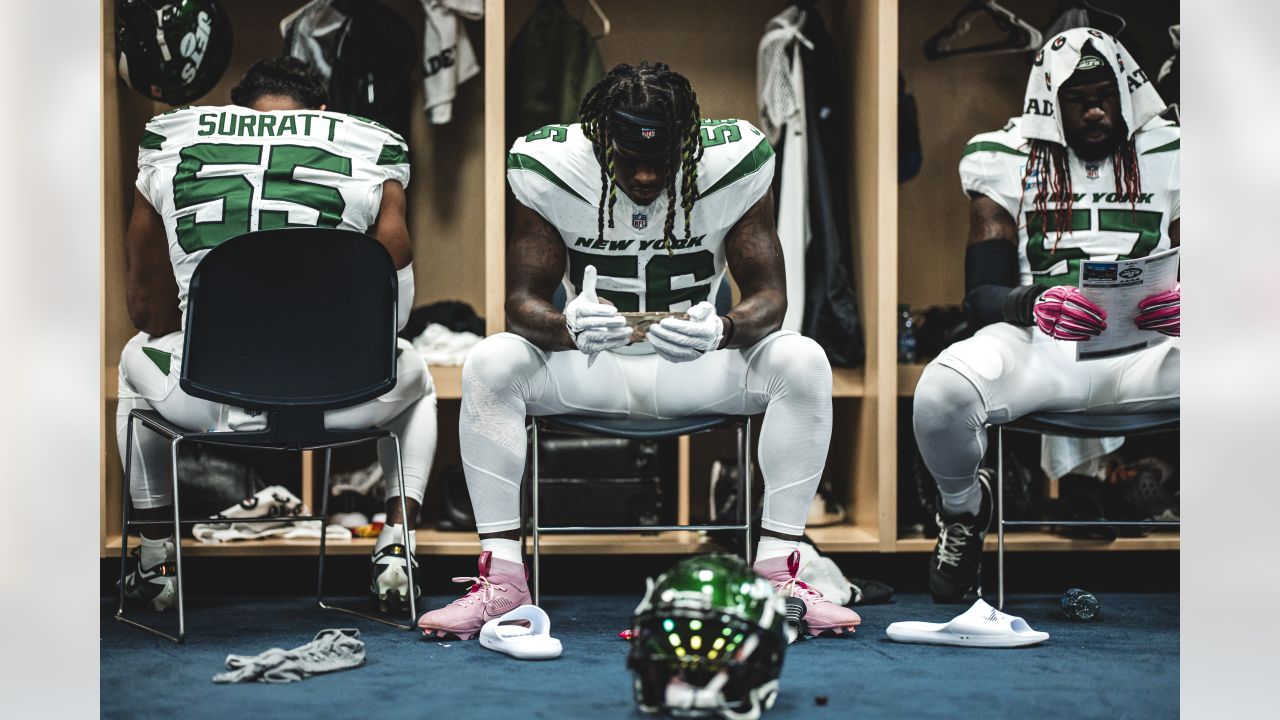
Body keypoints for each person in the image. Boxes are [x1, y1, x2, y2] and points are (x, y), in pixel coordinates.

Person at [416, 61, 859, 640]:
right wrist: (567, 326)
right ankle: (502, 584)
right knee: (491, 361)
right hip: (594, 367)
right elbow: (521, 301)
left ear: (690, 142)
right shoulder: (551, 166)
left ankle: (777, 576)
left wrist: (722, 329)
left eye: (662, 159)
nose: (647, 177)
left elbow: (771, 298)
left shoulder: (735, 162)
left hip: (696, 368)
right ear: (601, 140)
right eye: (631, 159)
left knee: (802, 360)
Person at [118, 57, 438, 612]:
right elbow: (396, 316)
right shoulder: (371, 150)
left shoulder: (170, 147)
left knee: (132, 357)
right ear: (322, 114)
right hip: (344, 402)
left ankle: (155, 559)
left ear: (235, 115)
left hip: (212, 402)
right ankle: (395, 546)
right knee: (415, 368)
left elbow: (147, 311)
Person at [912, 29, 1180, 602]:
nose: (1094, 110)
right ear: (1046, 103)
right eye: (1077, 98)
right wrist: (1033, 301)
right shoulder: (1007, 155)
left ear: (1128, 92)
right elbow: (981, 295)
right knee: (940, 392)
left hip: (1150, 350)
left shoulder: (1173, 151)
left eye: (1105, 94)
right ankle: (963, 511)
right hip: (1043, 347)